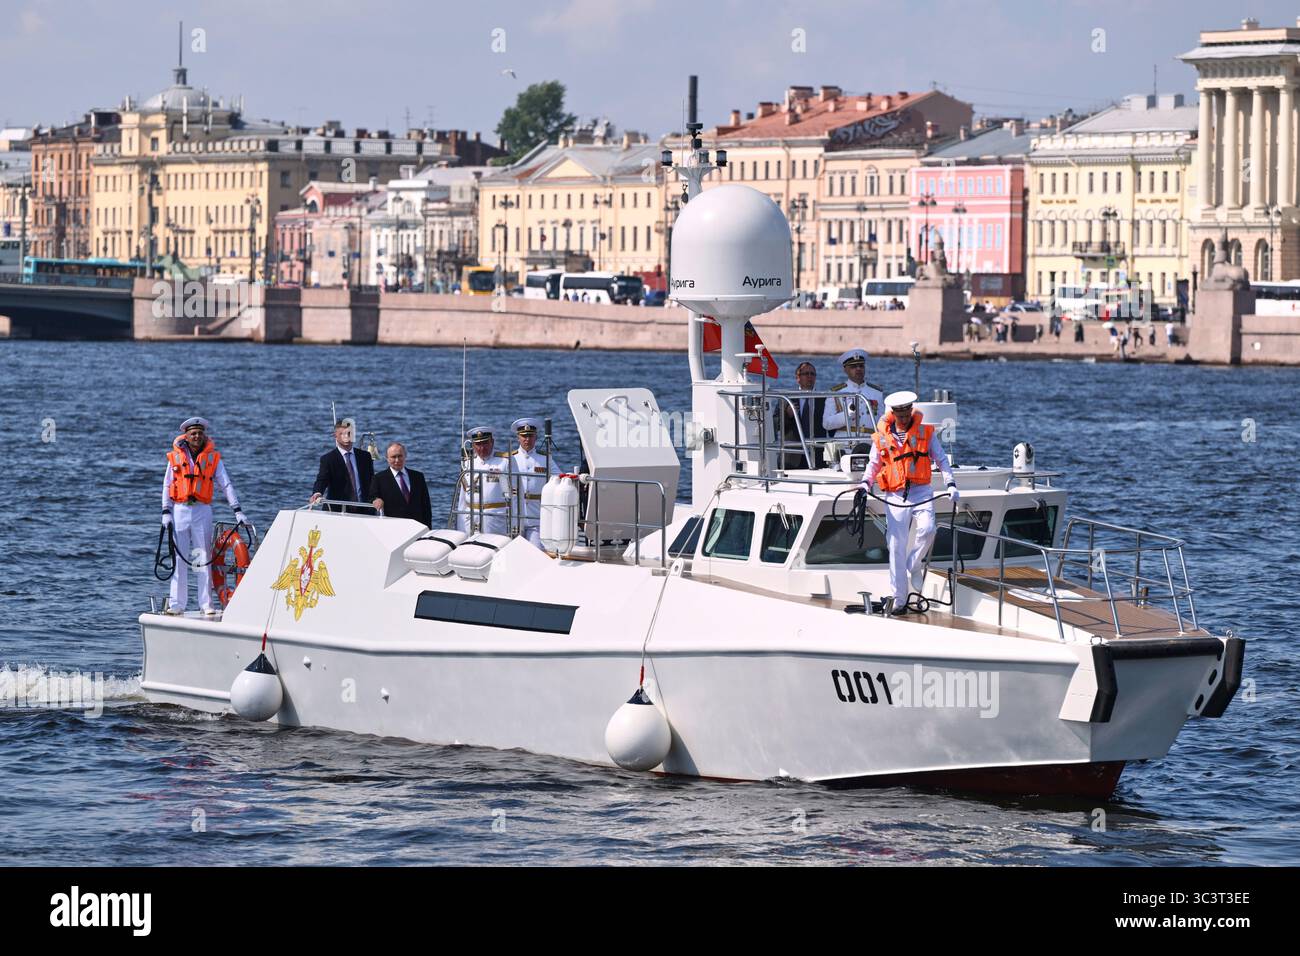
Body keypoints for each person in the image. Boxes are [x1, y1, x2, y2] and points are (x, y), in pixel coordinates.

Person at [858, 391, 958, 616]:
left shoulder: (925, 432)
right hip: (894, 494)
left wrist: (951, 483)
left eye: (906, 412)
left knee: (928, 529)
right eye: (899, 413)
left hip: (921, 491)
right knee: (895, 545)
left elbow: (941, 459)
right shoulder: (881, 436)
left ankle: (914, 564)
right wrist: (865, 484)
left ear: (910, 411)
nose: (903, 417)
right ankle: (899, 599)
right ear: (893, 413)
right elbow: (874, 464)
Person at [161, 417, 246, 616]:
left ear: (204, 435)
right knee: (179, 557)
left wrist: (237, 510)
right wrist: (166, 511)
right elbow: (167, 484)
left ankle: (206, 603)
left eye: (200, 433)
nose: (197, 436)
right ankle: (176, 604)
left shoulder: (213, 458)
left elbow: (225, 484)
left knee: (203, 556)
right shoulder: (175, 457)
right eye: (193, 433)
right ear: (186, 435)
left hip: (202, 510)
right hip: (180, 510)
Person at [509, 417, 562, 547]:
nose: (527, 439)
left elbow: (558, 478)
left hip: (537, 516)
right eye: (524, 436)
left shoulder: (545, 458)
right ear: (518, 437)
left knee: (537, 551)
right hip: (516, 514)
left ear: (536, 437)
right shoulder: (510, 458)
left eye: (531, 436)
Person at [310, 418, 375, 513]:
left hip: (365, 509)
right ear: (335, 436)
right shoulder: (328, 459)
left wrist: (377, 497)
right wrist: (317, 493)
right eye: (342, 434)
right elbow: (322, 479)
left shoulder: (365, 457)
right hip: (338, 511)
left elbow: (372, 481)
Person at [456, 426, 510, 535]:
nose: (482, 448)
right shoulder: (467, 464)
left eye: (485, 443)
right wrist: (460, 528)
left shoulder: (504, 462)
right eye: (478, 444)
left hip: (495, 521)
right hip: (471, 520)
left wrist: (516, 526)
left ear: (492, 442)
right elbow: (462, 500)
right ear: (473, 445)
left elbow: (512, 496)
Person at [823, 348, 883, 440]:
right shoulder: (836, 392)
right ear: (845, 370)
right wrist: (847, 414)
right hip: (845, 441)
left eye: (861, 366)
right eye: (853, 366)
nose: (858, 369)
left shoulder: (876, 392)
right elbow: (826, 423)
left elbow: (882, 421)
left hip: (871, 441)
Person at [369, 442, 432, 526]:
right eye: (393, 457)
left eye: (400, 456)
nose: (397, 460)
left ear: (405, 456)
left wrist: (428, 528)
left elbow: (426, 506)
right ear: (387, 458)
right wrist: (376, 499)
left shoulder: (418, 477)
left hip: (418, 527)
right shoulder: (379, 478)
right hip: (394, 526)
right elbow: (371, 497)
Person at [780, 361, 827, 469]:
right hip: (792, 457)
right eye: (806, 374)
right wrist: (787, 415)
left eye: (812, 374)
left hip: (818, 457)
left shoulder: (824, 399)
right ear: (798, 378)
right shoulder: (786, 399)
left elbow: (832, 429)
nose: (810, 377)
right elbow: (775, 425)